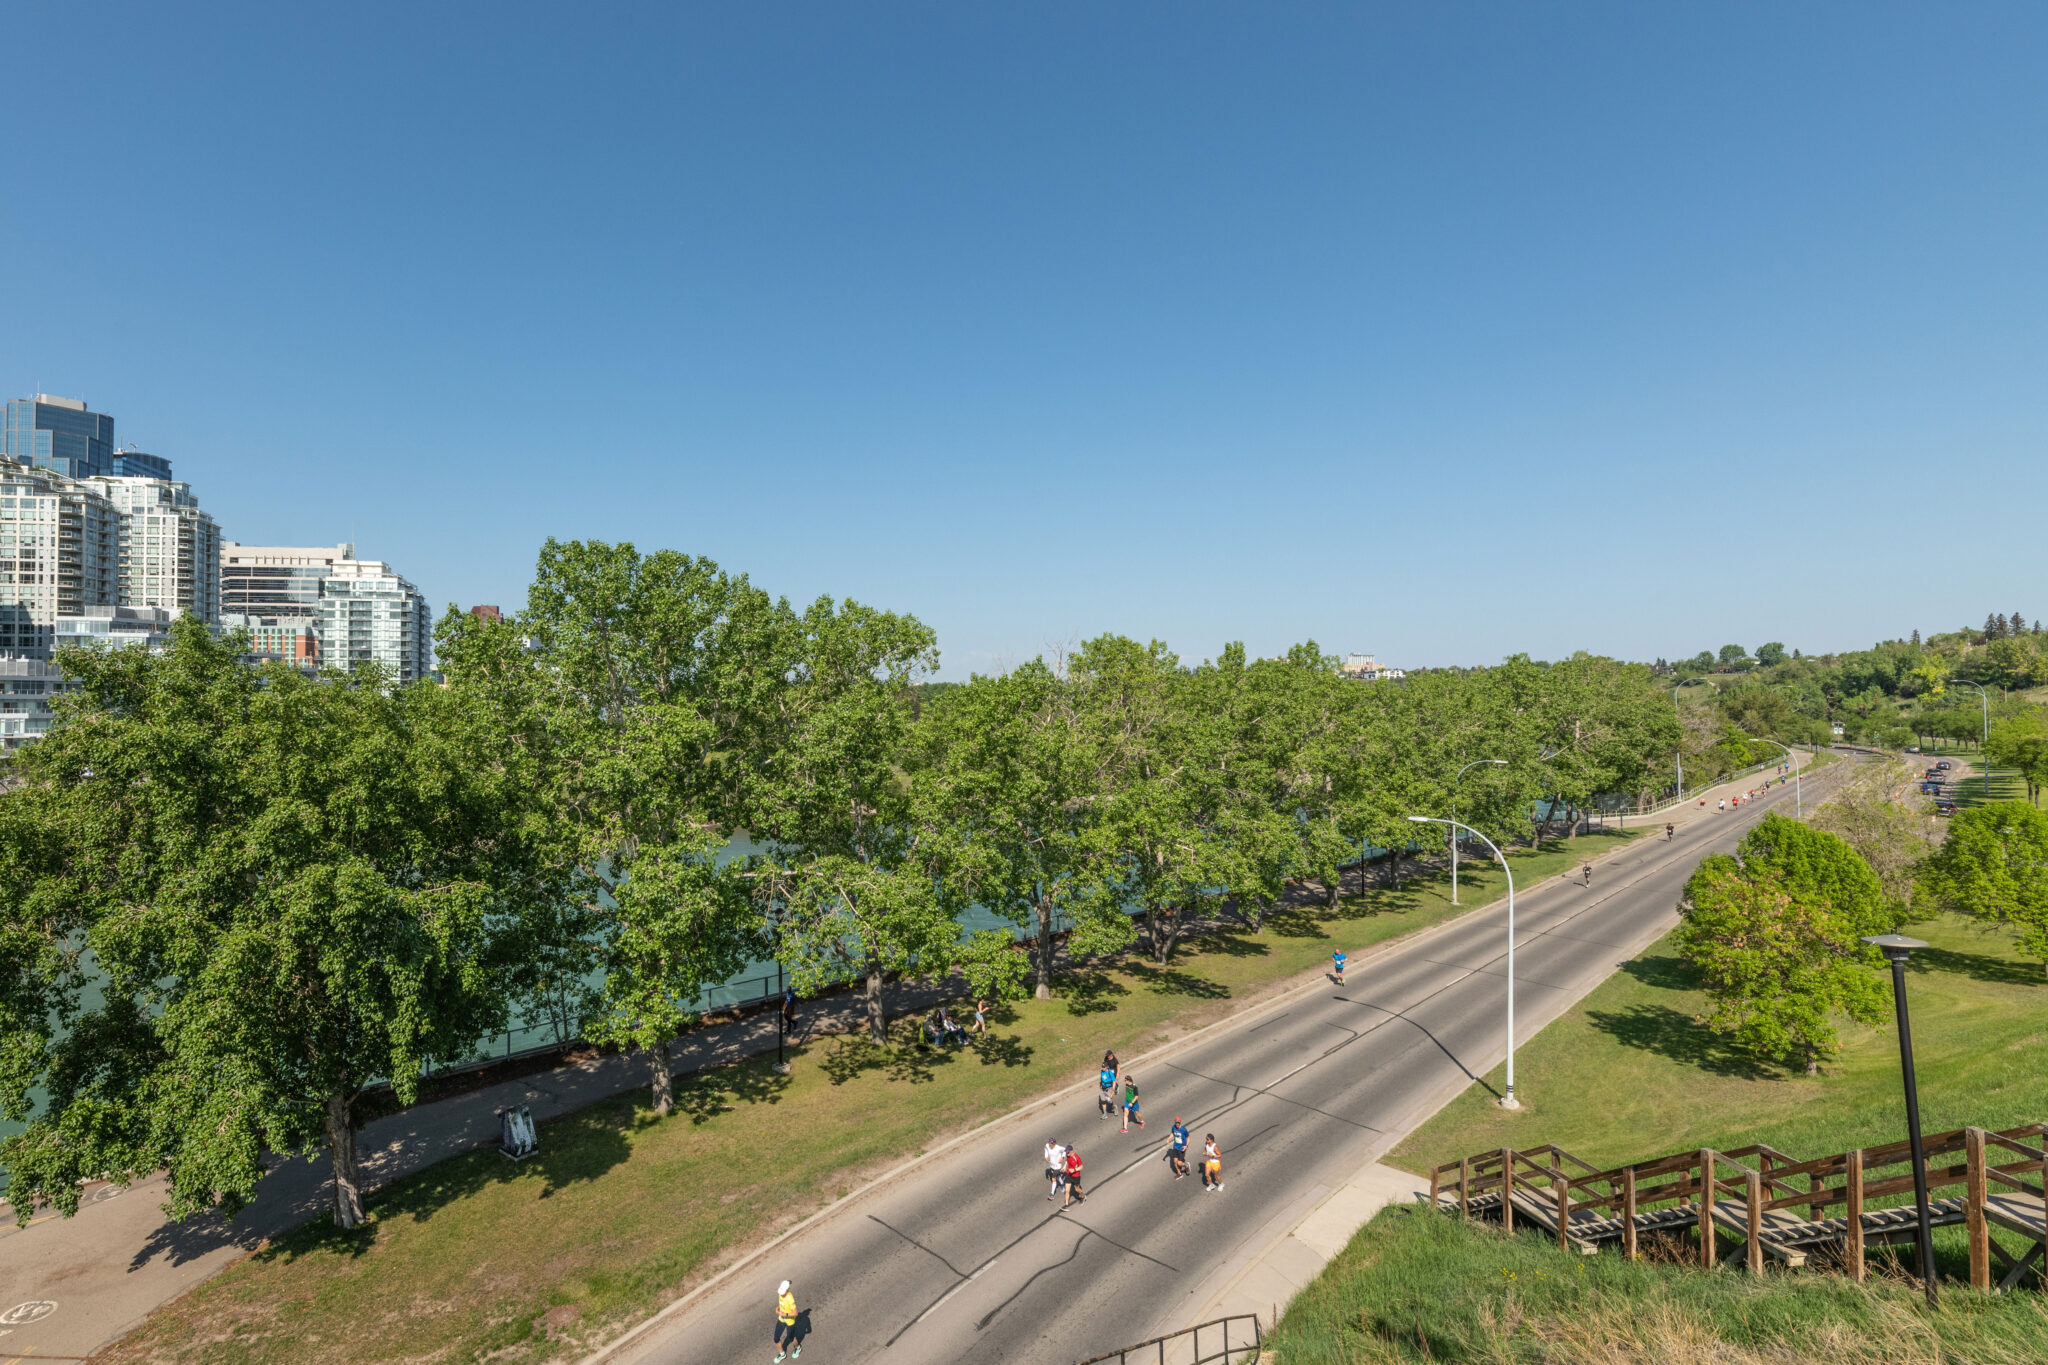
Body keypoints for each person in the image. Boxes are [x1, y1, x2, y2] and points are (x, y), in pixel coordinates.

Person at [774, 1279, 800, 1361]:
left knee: (790, 1338)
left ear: (787, 1290)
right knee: (776, 1338)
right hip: (781, 1319)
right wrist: (778, 1308)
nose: (781, 1294)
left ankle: (797, 1347)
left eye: (782, 1292)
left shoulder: (790, 1298)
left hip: (790, 1321)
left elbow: (796, 1313)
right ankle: (782, 1354)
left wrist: (785, 1314)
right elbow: (781, 1302)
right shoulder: (781, 1294)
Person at [1098, 1054, 1119, 1119]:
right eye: (1102, 1067)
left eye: (1103, 1067)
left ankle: (1114, 1107)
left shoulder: (1110, 1072)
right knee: (1103, 1101)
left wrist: (1113, 1090)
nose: (1102, 1068)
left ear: (1107, 1067)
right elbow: (1101, 1078)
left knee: (1109, 1100)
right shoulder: (1101, 1071)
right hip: (1103, 1088)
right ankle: (1105, 1114)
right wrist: (1100, 1084)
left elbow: (1114, 1081)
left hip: (1109, 1088)